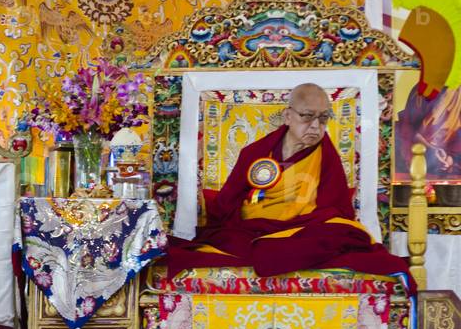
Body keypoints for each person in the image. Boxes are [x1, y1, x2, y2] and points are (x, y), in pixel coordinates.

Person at [166, 83, 411, 280]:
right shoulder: (255, 153)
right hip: (257, 230)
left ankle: (273, 250)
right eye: (307, 116)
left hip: (304, 230)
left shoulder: (327, 156)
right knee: (245, 243)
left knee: (341, 234)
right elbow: (226, 204)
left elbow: (337, 211)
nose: (316, 126)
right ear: (287, 116)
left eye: (323, 118)